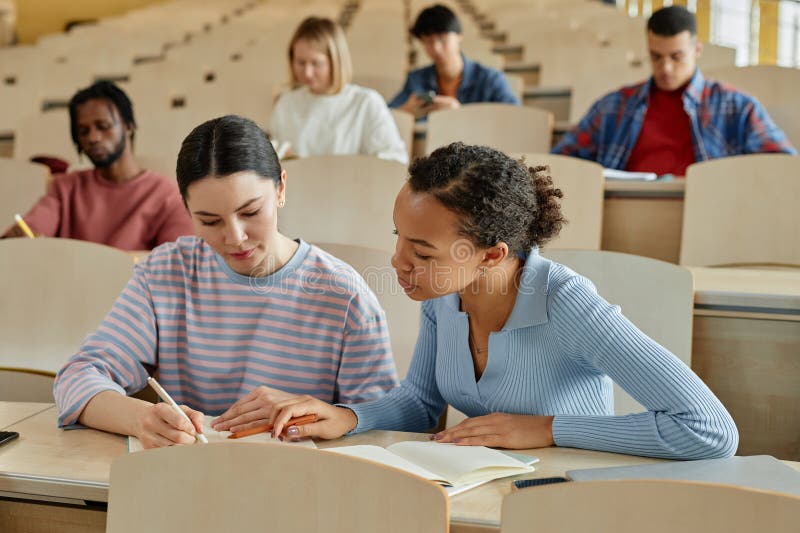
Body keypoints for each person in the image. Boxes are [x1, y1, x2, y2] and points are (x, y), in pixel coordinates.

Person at [262, 142, 739, 460]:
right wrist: (348, 416)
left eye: (422, 252)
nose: (397, 262)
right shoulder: (444, 295)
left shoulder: (570, 306)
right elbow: (421, 403)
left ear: (491, 255)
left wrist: (547, 429)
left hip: (574, 499)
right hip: (489, 494)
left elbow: (709, 428)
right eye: (398, 237)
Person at [53, 115, 398, 448]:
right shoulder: (166, 272)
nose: (234, 237)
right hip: (189, 474)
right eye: (209, 220)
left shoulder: (344, 296)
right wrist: (141, 418)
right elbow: (76, 377)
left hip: (302, 479)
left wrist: (316, 414)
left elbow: (383, 427)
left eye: (250, 212)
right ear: (187, 210)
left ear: (280, 188)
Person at [552, 5, 796, 176]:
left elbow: (784, 167)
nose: (666, 68)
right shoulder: (613, 105)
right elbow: (561, 161)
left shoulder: (737, 106)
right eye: (656, 57)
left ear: (697, 50)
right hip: (626, 210)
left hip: (709, 212)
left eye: (676, 57)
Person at [2, 81, 193, 250]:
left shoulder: (168, 196)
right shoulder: (65, 187)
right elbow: (32, 231)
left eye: (103, 126)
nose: (93, 138)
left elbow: (177, 265)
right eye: (83, 131)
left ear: (128, 126)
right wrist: (18, 240)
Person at [268, 16, 408, 164]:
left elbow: (396, 160)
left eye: (316, 63)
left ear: (335, 61)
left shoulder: (366, 102)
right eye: (301, 63)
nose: (307, 73)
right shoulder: (286, 103)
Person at [389, 4, 520, 120]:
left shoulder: (490, 79)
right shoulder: (416, 79)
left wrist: (460, 114)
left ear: (459, 36)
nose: (436, 48)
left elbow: (516, 118)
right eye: (428, 41)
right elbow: (384, 116)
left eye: (442, 39)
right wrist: (406, 111)